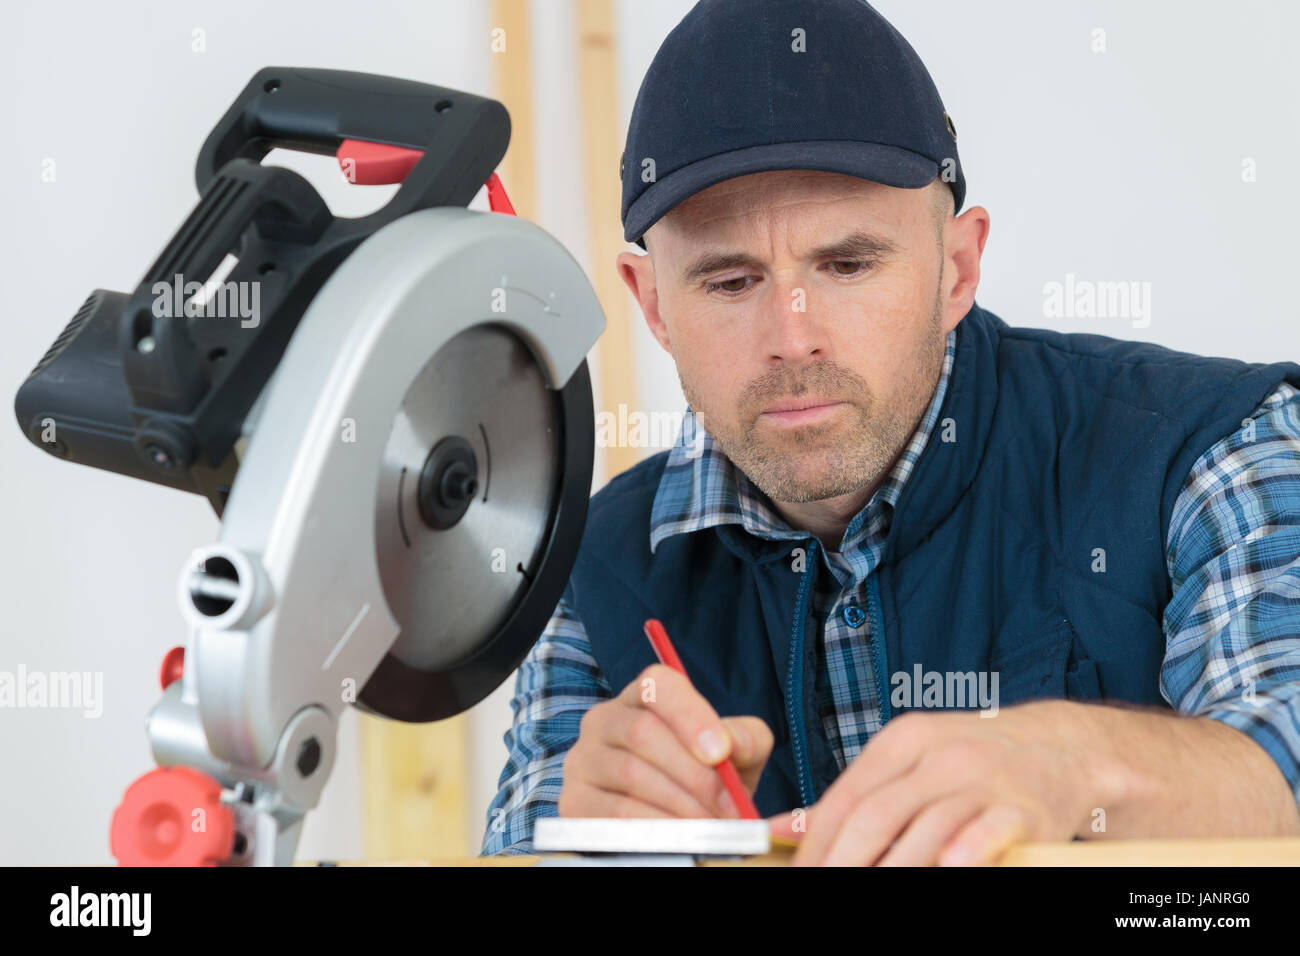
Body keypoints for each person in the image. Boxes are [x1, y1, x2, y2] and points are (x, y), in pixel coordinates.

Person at [482, 0, 1300, 865]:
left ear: (957, 269)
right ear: (652, 305)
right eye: (729, 281)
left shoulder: (1209, 450)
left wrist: (1074, 763)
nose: (792, 336)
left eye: (847, 265)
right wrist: (580, 840)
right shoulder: (595, 562)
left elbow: (1285, 757)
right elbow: (520, 848)